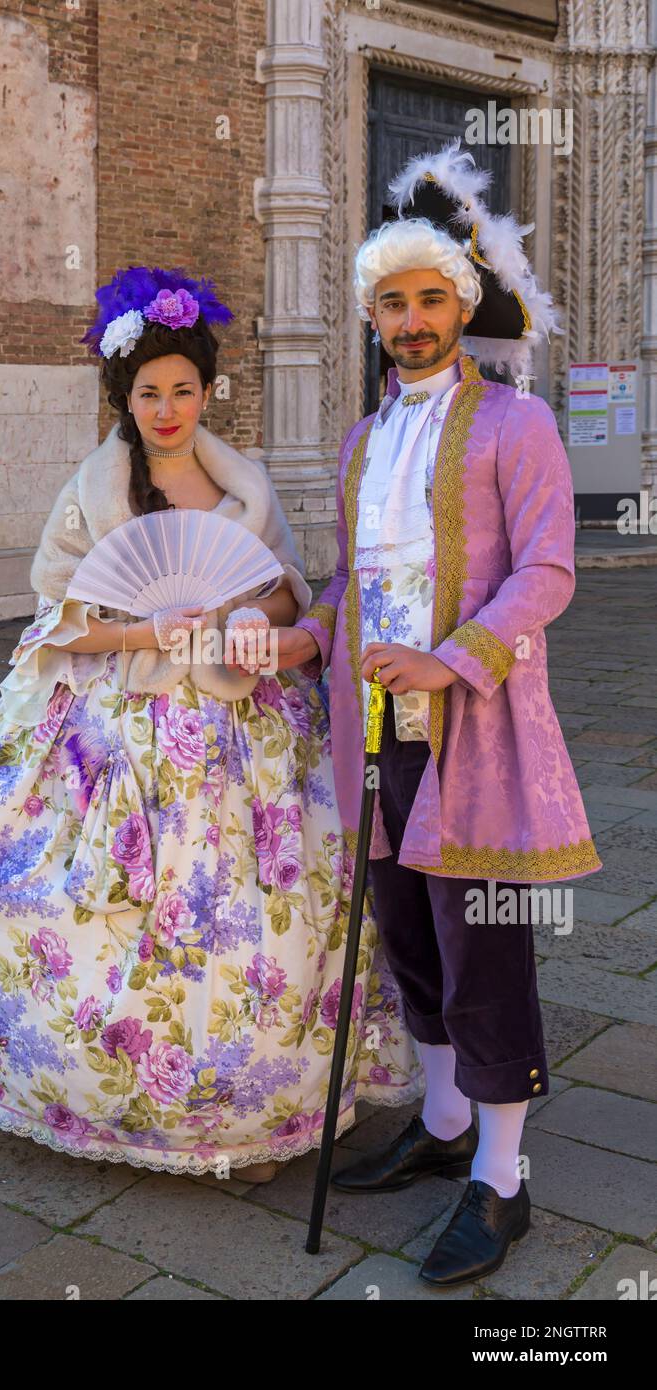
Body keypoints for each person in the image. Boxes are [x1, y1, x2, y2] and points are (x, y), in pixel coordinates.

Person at [0, 265, 421, 1182]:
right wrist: (145, 628)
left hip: (242, 726)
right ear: (123, 398)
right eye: (148, 392)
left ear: (207, 391)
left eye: (183, 390)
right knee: (74, 891)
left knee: (251, 924)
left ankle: (247, 1120)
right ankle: (100, 1094)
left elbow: (290, 592)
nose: (167, 409)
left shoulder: (244, 487)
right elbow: (59, 616)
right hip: (118, 722)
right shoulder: (94, 490)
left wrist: (261, 621)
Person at [276, 141, 601, 1285]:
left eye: (427, 299)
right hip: (369, 731)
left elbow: (548, 571)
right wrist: (311, 634)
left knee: (482, 951)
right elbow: (352, 579)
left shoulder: (517, 426)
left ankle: (501, 1182)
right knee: (405, 934)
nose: (408, 319)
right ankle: (445, 1123)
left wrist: (451, 660)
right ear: (368, 312)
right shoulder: (363, 440)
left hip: (473, 727)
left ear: (460, 304)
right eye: (389, 301)